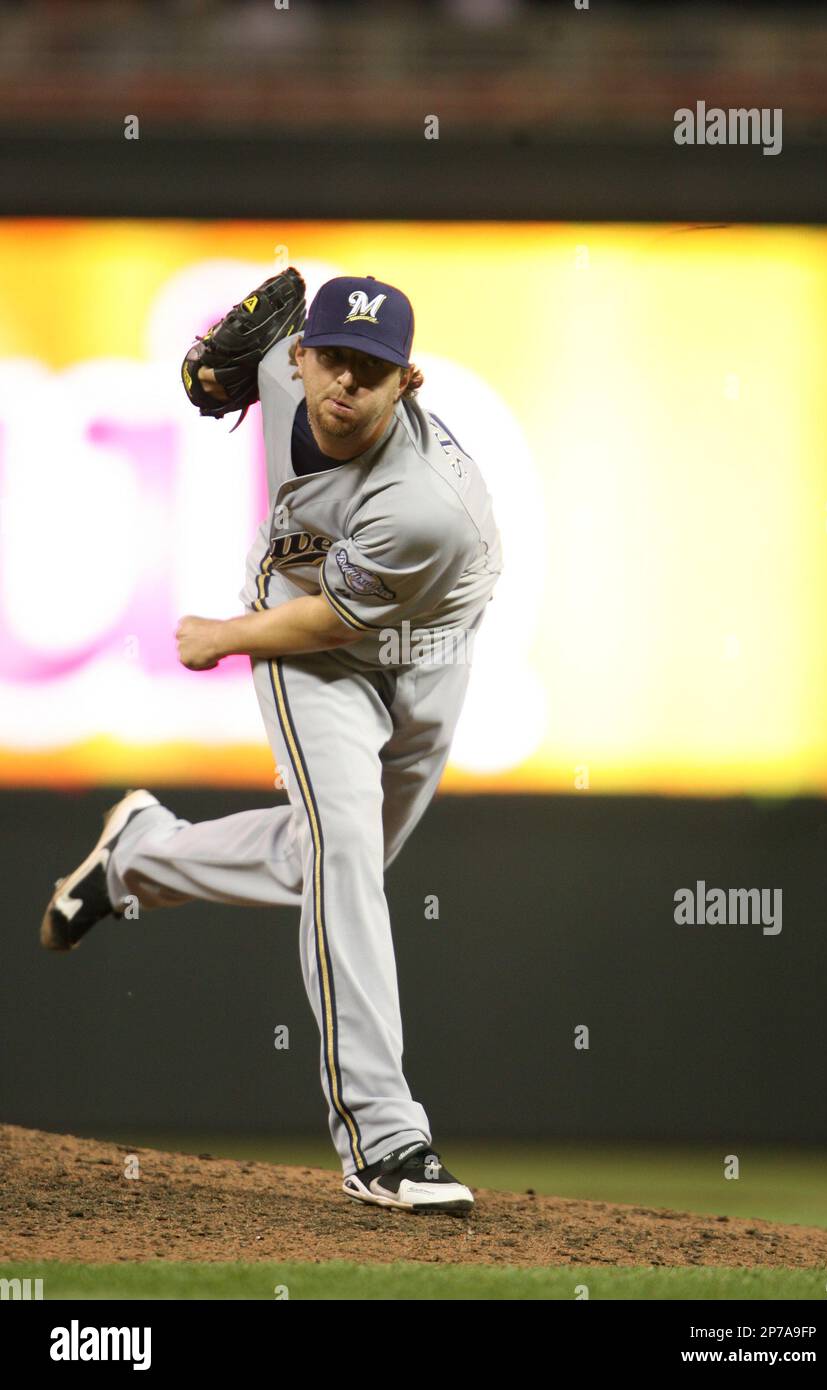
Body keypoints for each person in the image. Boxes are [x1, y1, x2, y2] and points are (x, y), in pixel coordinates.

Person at [40, 273, 503, 1214]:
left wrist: (222, 635)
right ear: (298, 355)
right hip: (313, 640)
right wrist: (214, 362)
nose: (344, 384)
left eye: (370, 372)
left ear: (406, 384)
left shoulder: (421, 506)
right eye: (331, 357)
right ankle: (386, 1137)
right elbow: (222, 363)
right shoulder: (284, 369)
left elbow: (336, 618)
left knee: (325, 862)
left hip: (412, 652)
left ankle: (141, 856)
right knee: (345, 861)